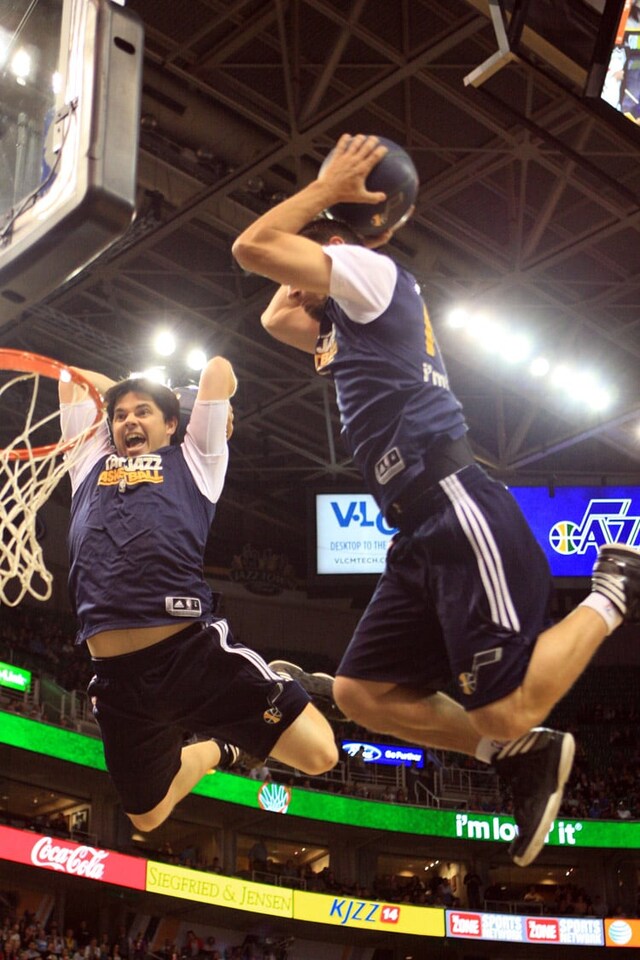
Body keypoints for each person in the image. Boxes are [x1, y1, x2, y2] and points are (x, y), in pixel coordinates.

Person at [231, 132, 640, 867]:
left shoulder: (372, 272)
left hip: (457, 502)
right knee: (359, 692)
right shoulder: (355, 315)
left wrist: (327, 191)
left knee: (506, 700)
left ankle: (613, 591)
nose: (301, 281)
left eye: (316, 256)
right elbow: (275, 318)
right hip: (419, 529)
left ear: (347, 233)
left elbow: (254, 247)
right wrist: (316, 245)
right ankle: (513, 756)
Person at [58, 356, 337, 832]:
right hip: (118, 677)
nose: (129, 420)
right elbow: (73, 381)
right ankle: (220, 748)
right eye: (120, 414)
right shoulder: (88, 462)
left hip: (189, 657)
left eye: (143, 411)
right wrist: (130, 392)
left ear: (172, 423)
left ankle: (282, 682)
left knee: (321, 754)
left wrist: (194, 401)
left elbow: (219, 369)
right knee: (146, 816)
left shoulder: (194, 458)